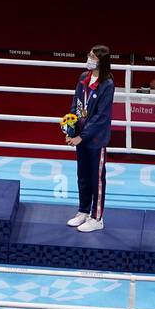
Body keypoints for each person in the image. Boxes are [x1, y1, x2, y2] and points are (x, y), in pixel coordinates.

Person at [65, 45, 114, 233]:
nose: (89, 58)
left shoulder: (107, 84)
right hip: (80, 136)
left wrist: (81, 137)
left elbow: (101, 117)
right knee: (83, 176)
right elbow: (76, 105)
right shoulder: (83, 78)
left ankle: (97, 217)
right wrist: (71, 129)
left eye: (92, 56)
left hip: (96, 140)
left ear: (101, 61)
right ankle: (83, 211)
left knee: (97, 179)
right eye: (89, 55)